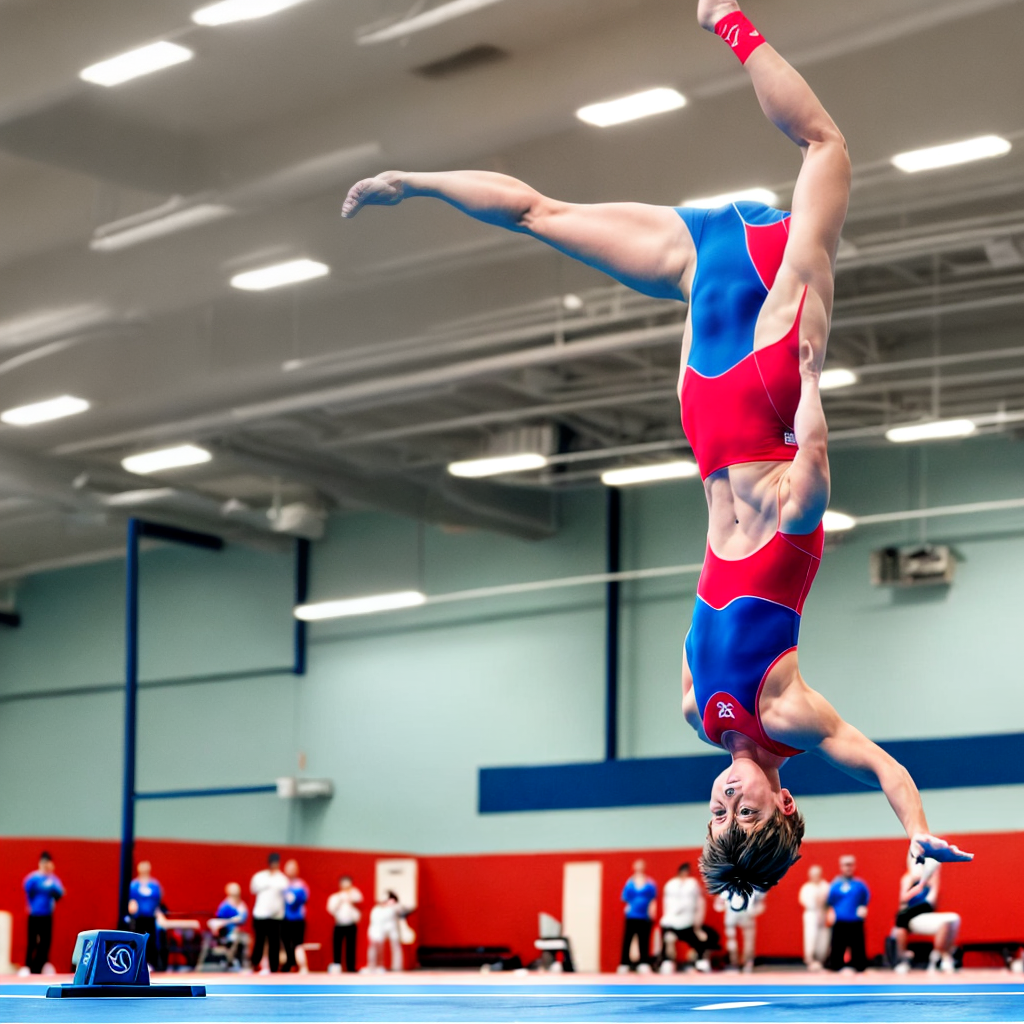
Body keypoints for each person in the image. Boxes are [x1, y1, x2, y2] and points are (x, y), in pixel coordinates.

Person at [342, 0, 972, 908]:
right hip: (767, 385)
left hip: (707, 393)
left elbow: (719, 590)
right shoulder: (788, 714)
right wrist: (915, 836)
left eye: (715, 818)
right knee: (826, 147)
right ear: (785, 805)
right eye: (746, 814)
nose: (726, 803)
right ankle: (731, 21)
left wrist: (413, 184)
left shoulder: (694, 712)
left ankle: (414, 181)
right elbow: (882, 765)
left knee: (540, 214)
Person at [892, 855, 961, 974]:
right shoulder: (908, 879)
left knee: (952, 920)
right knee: (900, 917)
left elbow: (931, 901)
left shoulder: (932, 880)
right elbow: (903, 900)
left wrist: (928, 880)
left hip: (924, 910)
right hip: (909, 914)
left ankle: (941, 955)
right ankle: (903, 959)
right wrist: (916, 884)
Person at [658, 863, 712, 973]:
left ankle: (700, 960)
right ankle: (668, 961)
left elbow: (700, 902)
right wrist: (667, 919)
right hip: (672, 921)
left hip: (688, 921)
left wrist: (698, 920)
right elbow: (666, 904)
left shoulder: (692, 884)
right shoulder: (671, 885)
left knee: (699, 939)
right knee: (668, 939)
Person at [22, 852, 64, 975]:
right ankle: (28, 966)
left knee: (45, 942)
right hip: (34, 914)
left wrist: (51, 885)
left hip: (47, 915)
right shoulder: (33, 878)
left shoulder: (53, 880)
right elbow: (27, 889)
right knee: (32, 941)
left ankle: (41, 966)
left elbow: (59, 894)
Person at [827, 855, 869, 972]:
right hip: (840, 920)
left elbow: (865, 898)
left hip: (855, 920)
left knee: (858, 946)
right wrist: (831, 913)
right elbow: (830, 901)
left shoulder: (860, 885)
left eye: (850, 865)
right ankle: (835, 965)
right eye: (846, 865)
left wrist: (863, 908)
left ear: (854, 866)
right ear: (841, 867)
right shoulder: (835, 885)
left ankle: (859, 966)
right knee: (837, 946)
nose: (848, 868)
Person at [250, 852, 289, 974]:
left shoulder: (282, 879)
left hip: (276, 917)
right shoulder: (259, 877)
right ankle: (254, 964)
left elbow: (287, 896)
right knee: (259, 941)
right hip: (260, 914)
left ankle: (273, 967)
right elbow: (253, 889)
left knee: (274, 943)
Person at [617, 860, 657, 974]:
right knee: (628, 939)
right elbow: (625, 898)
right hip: (631, 916)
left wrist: (652, 912)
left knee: (643, 940)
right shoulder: (630, 882)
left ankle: (643, 962)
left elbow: (653, 899)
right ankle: (624, 963)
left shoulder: (649, 883)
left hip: (644, 916)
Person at [715, 888, 765, 972]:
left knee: (737, 939)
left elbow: (718, 905)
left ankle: (737, 963)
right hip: (743, 911)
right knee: (742, 939)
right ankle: (744, 962)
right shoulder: (751, 885)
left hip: (736, 912)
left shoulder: (727, 885)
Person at [128, 860, 163, 968]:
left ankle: (152, 963)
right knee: (139, 940)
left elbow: (157, 900)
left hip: (151, 918)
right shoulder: (134, 885)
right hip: (138, 919)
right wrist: (131, 906)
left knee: (152, 941)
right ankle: (137, 963)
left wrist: (158, 913)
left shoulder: (154, 885)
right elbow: (131, 900)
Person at [207, 882, 250, 969]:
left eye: (237, 889)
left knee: (244, 938)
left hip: (240, 931)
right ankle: (230, 961)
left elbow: (243, 918)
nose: (236, 892)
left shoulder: (241, 905)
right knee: (235, 937)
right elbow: (219, 920)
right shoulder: (225, 906)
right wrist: (230, 921)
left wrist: (237, 921)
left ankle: (241, 962)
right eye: (234, 889)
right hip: (227, 933)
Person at [363, 891, 407, 973]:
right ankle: (373, 966)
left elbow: (403, 911)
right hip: (379, 930)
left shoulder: (394, 907)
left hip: (392, 928)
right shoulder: (376, 909)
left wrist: (394, 905)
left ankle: (397, 967)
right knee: (376, 947)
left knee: (396, 947)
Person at [327, 875, 363, 973]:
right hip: (339, 924)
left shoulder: (355, 894)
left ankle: (350, 967)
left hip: (351, 924)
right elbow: (331, 908)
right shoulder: (336, 897)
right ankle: (337, 966)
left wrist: (349, 896)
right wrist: (341, 899)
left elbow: (359, 899)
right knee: (337, 946)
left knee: (351, 947)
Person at [799, 865, 830, 971]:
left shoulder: (825, 886)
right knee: (811, 936)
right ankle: (810, 959)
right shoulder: (806, 888)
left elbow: (829, 900)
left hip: (823, 913)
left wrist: (823, 907)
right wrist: (816, 902)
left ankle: (822, 960)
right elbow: (804, 901)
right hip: (811, 914)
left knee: (823, 937)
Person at [282, 859, 310, 973]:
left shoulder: (301, 885)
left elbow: (304, 899)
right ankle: (289, 964)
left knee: (298, 944)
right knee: (285, 944)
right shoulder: (282, 883)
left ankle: (303, 966)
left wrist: (295, 896)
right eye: (289, 868)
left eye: (293, 868)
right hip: (284, 918)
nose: (291, 871)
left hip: (298, 919)